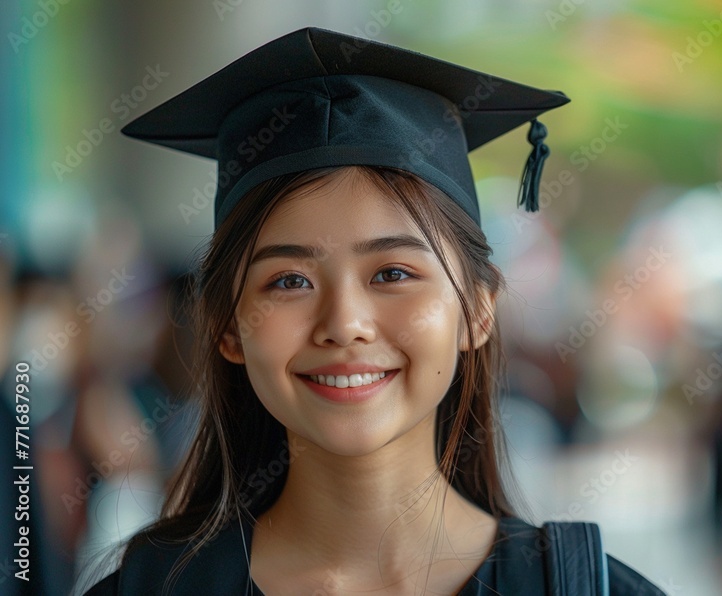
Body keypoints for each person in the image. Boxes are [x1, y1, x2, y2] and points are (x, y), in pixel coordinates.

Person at [78, 27, 666, 595]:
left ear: (479, 311)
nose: (344, 324)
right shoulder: (153, 589)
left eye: (392, 274)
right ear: (229, 325)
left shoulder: (585, 588)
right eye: (288, 280)